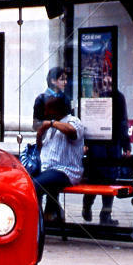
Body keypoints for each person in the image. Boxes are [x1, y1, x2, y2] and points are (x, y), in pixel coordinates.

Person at [82, 71, 130, 225]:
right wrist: (85, 142)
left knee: (109, 179)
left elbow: (123, 122)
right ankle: (88, 205)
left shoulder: (118, 97)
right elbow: (87, 120)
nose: (107, 81)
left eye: (110, 78)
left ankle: (105, 214)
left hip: (112, 143)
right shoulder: (94, 95)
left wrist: (126, 144)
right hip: (97, 142)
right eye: (104, 78)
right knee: (95, 178)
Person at [32, 94, 85, 224]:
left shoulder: (73, 121)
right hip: (48, 169)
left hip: (65, 171)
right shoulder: (51, 127)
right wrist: (39, 135)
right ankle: (48, 214)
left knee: (34, 186)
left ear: (56, 109)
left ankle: (38, 221)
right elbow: (41, 149)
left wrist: (52, 123)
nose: (45, 113)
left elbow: (72, 131)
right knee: (26, 183)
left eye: (47, 109)